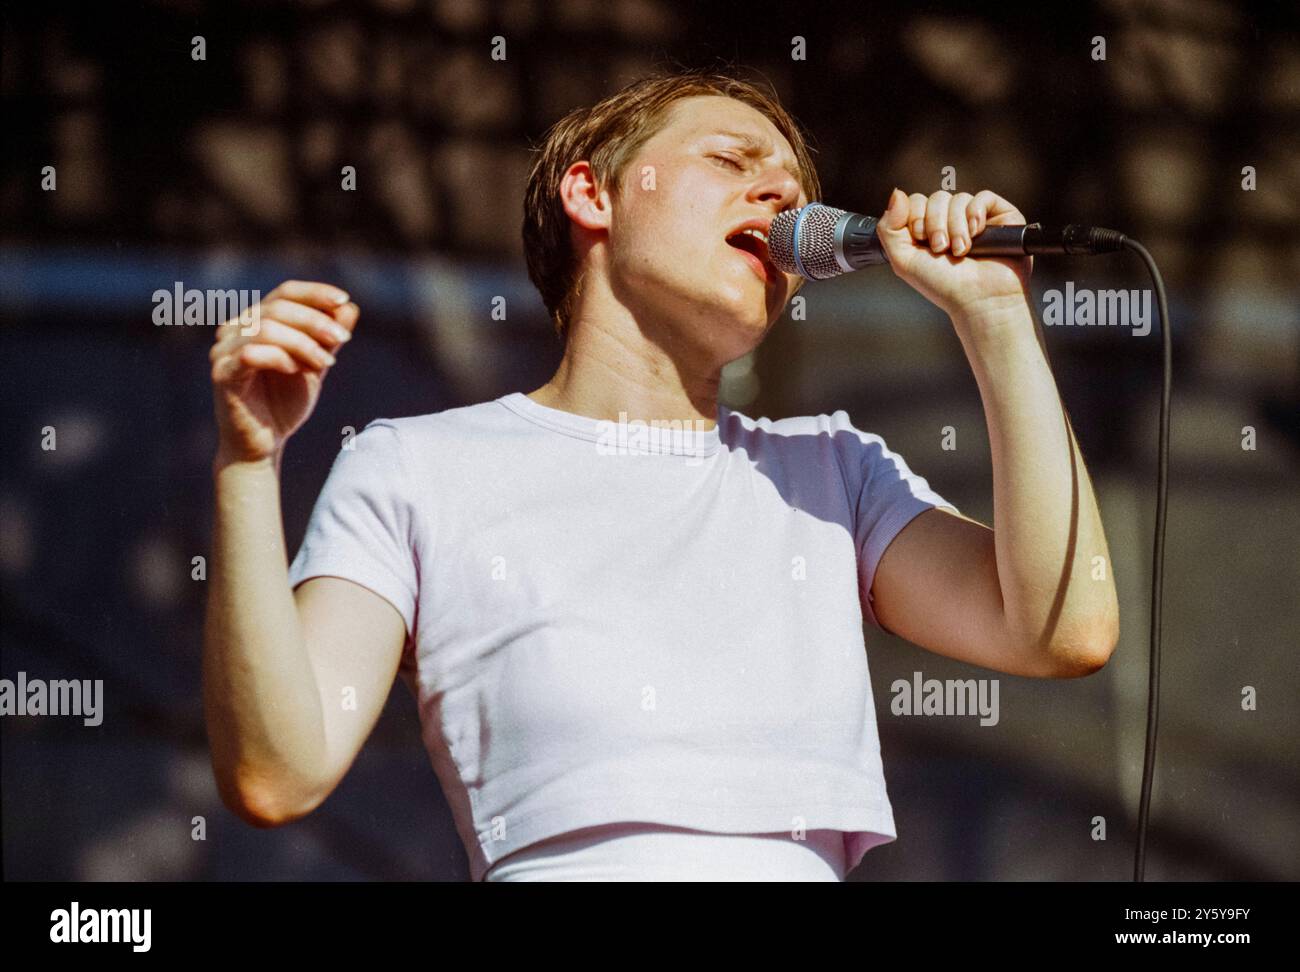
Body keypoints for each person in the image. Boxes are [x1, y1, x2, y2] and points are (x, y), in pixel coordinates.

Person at [203, 69, 1120, 882]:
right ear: (592, 196)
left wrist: (996, 319)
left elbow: (1058, 630)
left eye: (793, 187)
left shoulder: (832, 471)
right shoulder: (419, 465)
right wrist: (248, 464)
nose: (780, 191)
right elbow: (279, 771)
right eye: (731, 160)